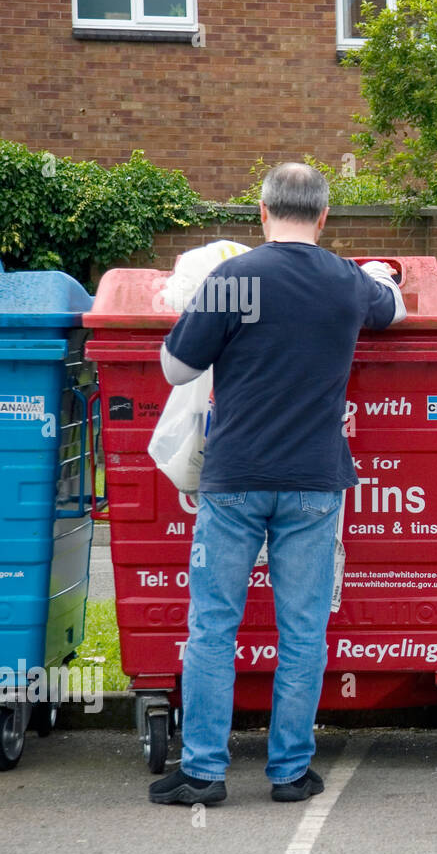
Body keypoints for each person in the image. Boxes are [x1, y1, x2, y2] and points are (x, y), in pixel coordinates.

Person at [148, 162, 405, 805]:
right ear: (323, 217)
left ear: (262, 212)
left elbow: (177, 369)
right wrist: (379, 275)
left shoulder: (234, 278)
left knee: (212, 624)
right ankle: (289, 772)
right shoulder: (346, 282)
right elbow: (394, 307)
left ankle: (204, 772)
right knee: (304, 630)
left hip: (234, 479)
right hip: (314, 483)